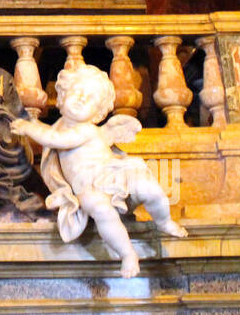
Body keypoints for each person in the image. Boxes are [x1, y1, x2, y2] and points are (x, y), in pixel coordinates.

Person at [11, 63, 186, 278]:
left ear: (98, 113)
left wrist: (29, 127)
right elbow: (52, 136)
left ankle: (164, 220)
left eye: (90, 98)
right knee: (101, 210)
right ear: (63, 96)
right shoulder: (61, 127)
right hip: (88, 188)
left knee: (150, 189)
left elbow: (54, 138)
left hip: (110, 173)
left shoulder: (84, 129)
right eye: (78, 92)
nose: (82, 99)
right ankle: (127, 253)